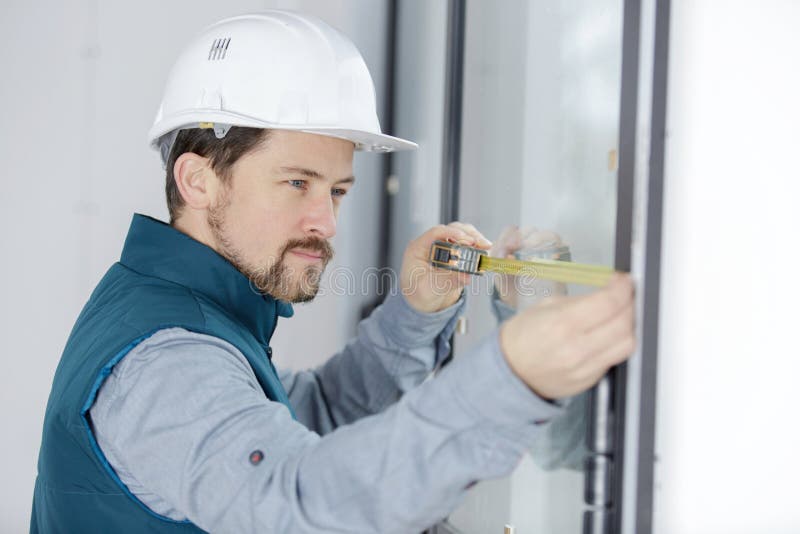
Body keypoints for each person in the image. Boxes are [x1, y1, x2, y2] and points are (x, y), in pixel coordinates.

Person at [31, 11, 635, 534]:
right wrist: (510, 380)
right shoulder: (168, 362)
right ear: (198, 178)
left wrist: (414, 316)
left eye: (338, 191)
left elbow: (303, 418)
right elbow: (300, 505)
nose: (326, 221)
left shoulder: (171, 307)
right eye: (297, 182)